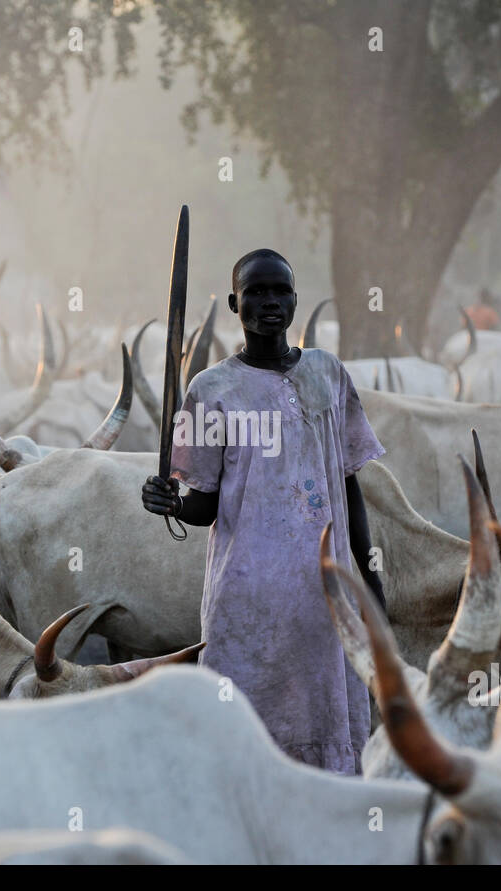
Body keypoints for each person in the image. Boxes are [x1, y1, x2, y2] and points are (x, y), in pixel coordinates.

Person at [141, 249, 385, 775]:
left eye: (279, 291)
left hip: (326, 599)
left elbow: (349, 485)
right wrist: (170, 502)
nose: (269, 302)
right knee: (243, 750)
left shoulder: (327, 374)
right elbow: (203, 507)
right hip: (247, 600)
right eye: (255, 291)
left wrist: (371, 581)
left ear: (295, 300)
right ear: (234, 302)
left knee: (330, 742)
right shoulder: (210, 391)